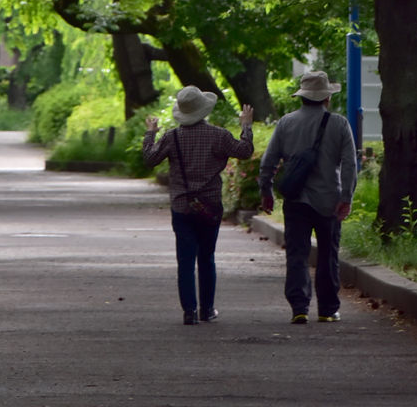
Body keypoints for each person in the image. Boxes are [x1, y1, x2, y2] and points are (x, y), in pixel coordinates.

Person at [143, 85, 254, 326]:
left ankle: (189, 312)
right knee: (206, 258)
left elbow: (150, 159)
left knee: (184, 261)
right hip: (209, 206)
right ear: (203, 110)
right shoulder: (218, 135)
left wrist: (151, 133)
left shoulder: (171, 137)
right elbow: (245, 151)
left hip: (182, 205)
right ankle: (207, 309)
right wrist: (246, 125)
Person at [258, 69, 357, 325]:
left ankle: (299, 307)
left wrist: (266, 191)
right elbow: (349, 164)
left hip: (296, 200)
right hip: (329, 200)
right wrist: (346, 197)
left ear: (301, 97)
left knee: (297, 254)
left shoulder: (286, 123)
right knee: (328, 254)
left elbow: (268, 162)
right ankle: (327, 309)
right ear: (327, 98)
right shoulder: (339, 124)